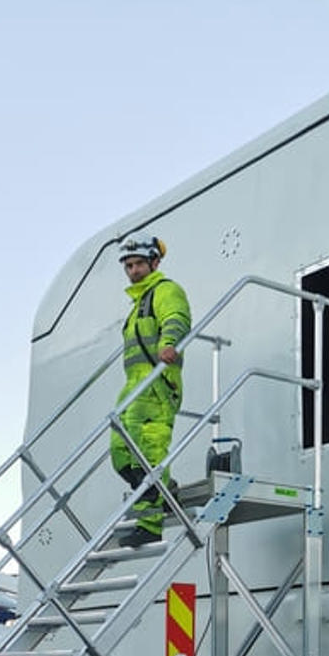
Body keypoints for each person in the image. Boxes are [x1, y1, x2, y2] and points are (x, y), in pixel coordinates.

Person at [109, 234, 191, 547]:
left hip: (157, 385)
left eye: (139, 263)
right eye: (128, 265)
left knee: (147, 451)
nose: (133, 270)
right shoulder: (136, 304)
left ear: (154, 262)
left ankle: (150, 525)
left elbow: (177, 317)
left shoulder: (165, 290)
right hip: (134, 385)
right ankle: (166, 494)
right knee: (120, 453)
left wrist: (169, 343)